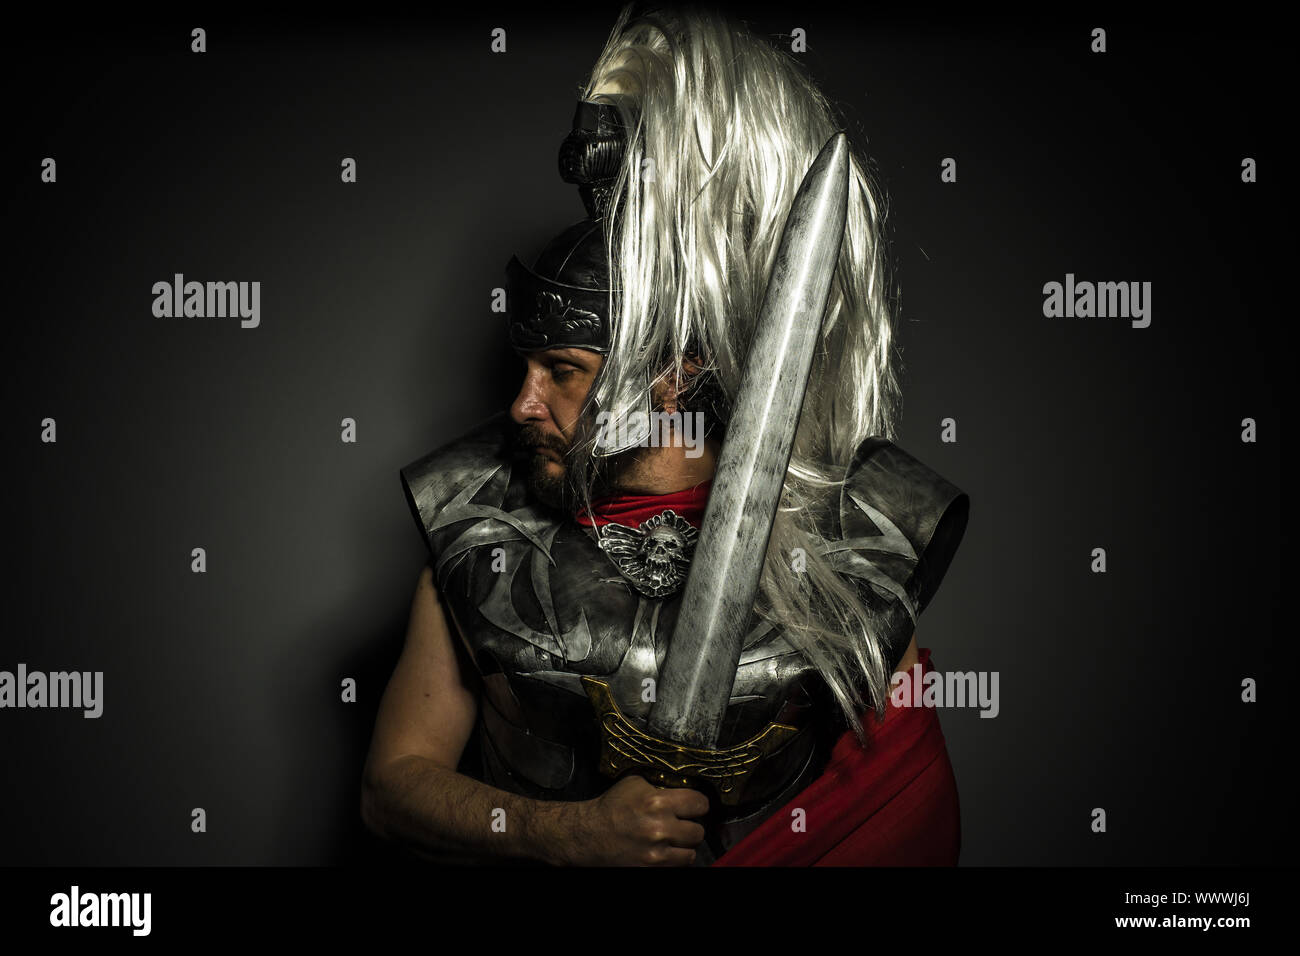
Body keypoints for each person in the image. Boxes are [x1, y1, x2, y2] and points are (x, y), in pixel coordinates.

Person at [361, 4, 969, 866]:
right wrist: (568, 834)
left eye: (563, 371)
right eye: (522, 366)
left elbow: (896, 814)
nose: (522, 405)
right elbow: (390, 788)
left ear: (669, 376)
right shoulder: (474, 518)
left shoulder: (859, 527)